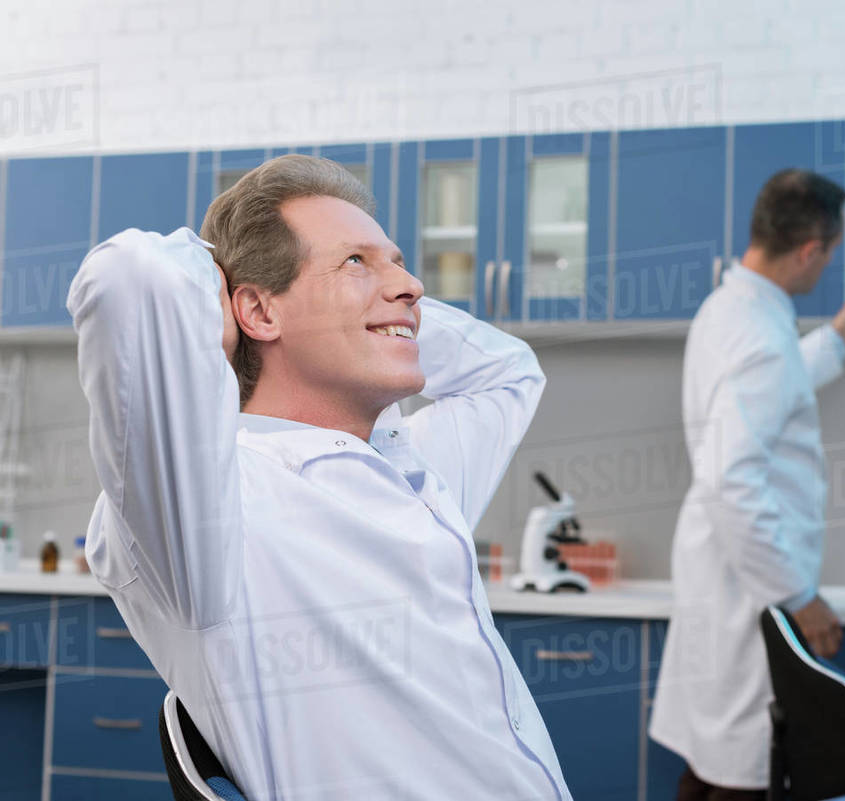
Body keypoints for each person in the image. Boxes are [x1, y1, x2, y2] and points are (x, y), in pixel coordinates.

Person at [68, 155, 571, 800]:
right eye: (356, 261)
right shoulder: (216, 508)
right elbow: (129, 277)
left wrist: (381, 311)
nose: (413, 283)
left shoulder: (407, 466)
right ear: (252, 310)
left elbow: (509, 372)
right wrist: (242, 301)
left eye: (398, 261)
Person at [648, 169, 845, 800]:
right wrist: (798, 594)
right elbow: (731, 479)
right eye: (829, 253)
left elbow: (765, 394)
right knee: (745, 771)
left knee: (713, 759)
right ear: (811, 249)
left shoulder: (731, 309)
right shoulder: (761, 335)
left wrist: (834, 340)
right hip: (752, 587)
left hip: (723, 571)